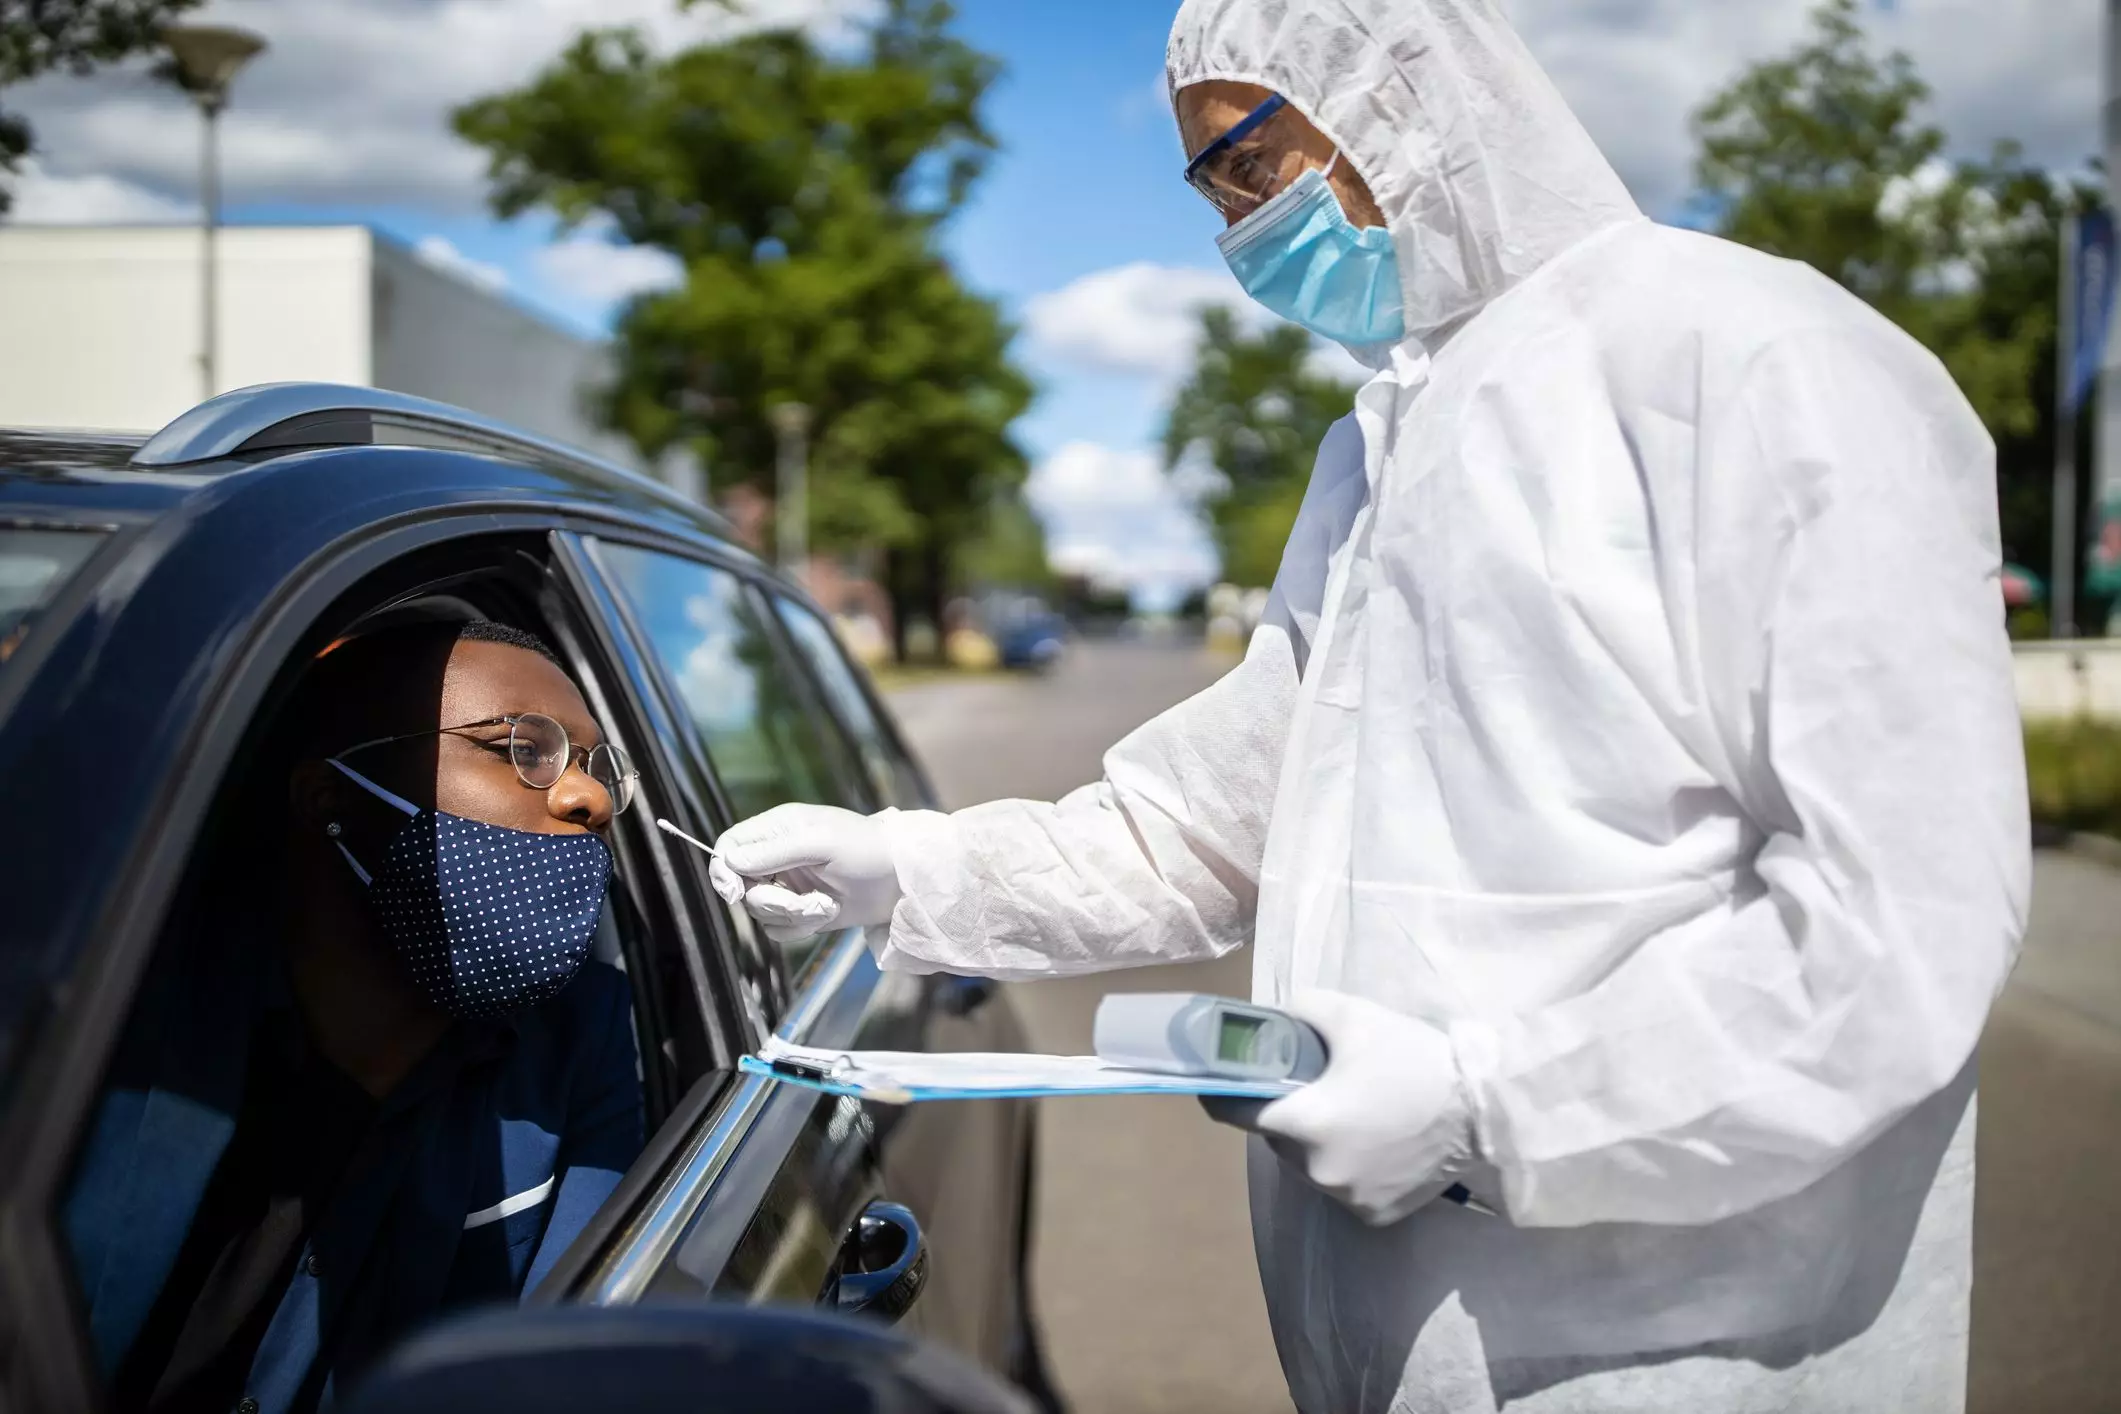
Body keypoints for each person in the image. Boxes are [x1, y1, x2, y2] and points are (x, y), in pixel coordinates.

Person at [713, 0, 2031, 1408]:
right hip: (1390, 1345)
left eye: (1246, 163)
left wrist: (1492, 1104)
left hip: (1677, 1340)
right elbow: (1204, 831)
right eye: (1208, 185)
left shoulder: (1755, 364)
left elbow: (1901, 920)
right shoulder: (1383, 443)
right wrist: (911, 870)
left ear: (1396, 100)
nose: (1234, 225)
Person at [66, 619, 645, 1414]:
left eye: (593, 765)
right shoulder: (106, 1045)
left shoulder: (582, 1037)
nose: (591, 795)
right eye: (520, 747)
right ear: (330, 796)